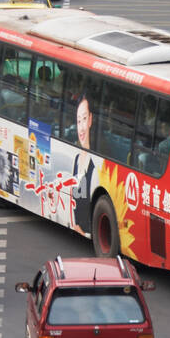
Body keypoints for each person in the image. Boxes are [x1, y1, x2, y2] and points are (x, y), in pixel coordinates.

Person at [72, 93, 98, 233]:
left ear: (90, 120)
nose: (81, 128)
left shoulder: (94, 168)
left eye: (84, 119)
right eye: (78, 121)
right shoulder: (76, 159)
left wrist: (80, 231)